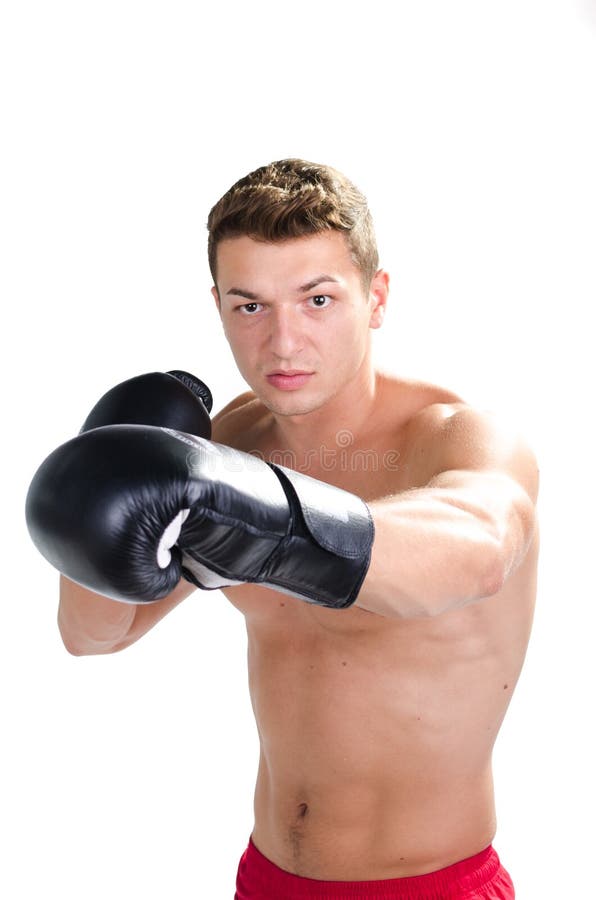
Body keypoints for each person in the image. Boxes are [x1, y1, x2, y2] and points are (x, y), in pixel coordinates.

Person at [47, 159, 540, 898]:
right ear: (217, 306)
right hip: (268, 876)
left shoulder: (457, 438)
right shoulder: (229, 449)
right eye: (250, 306)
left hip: (432, 885)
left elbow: (478, 552)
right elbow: (93, 636)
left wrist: (268, 527)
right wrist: (100, 490)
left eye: (316, 300)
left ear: (376, 297)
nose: (282, 342)